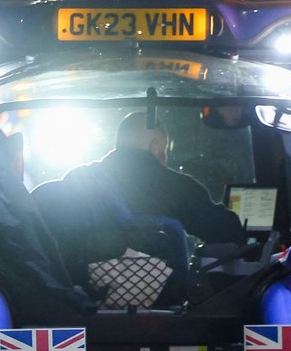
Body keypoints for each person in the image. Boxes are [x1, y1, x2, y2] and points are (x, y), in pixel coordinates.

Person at [30, 111, 247, 302]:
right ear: (154, 144)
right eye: (164, 149)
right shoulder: (178, 187)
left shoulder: (71, 185)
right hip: (166, 308)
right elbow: (227, 231)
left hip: (83, 308)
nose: (165, 158)